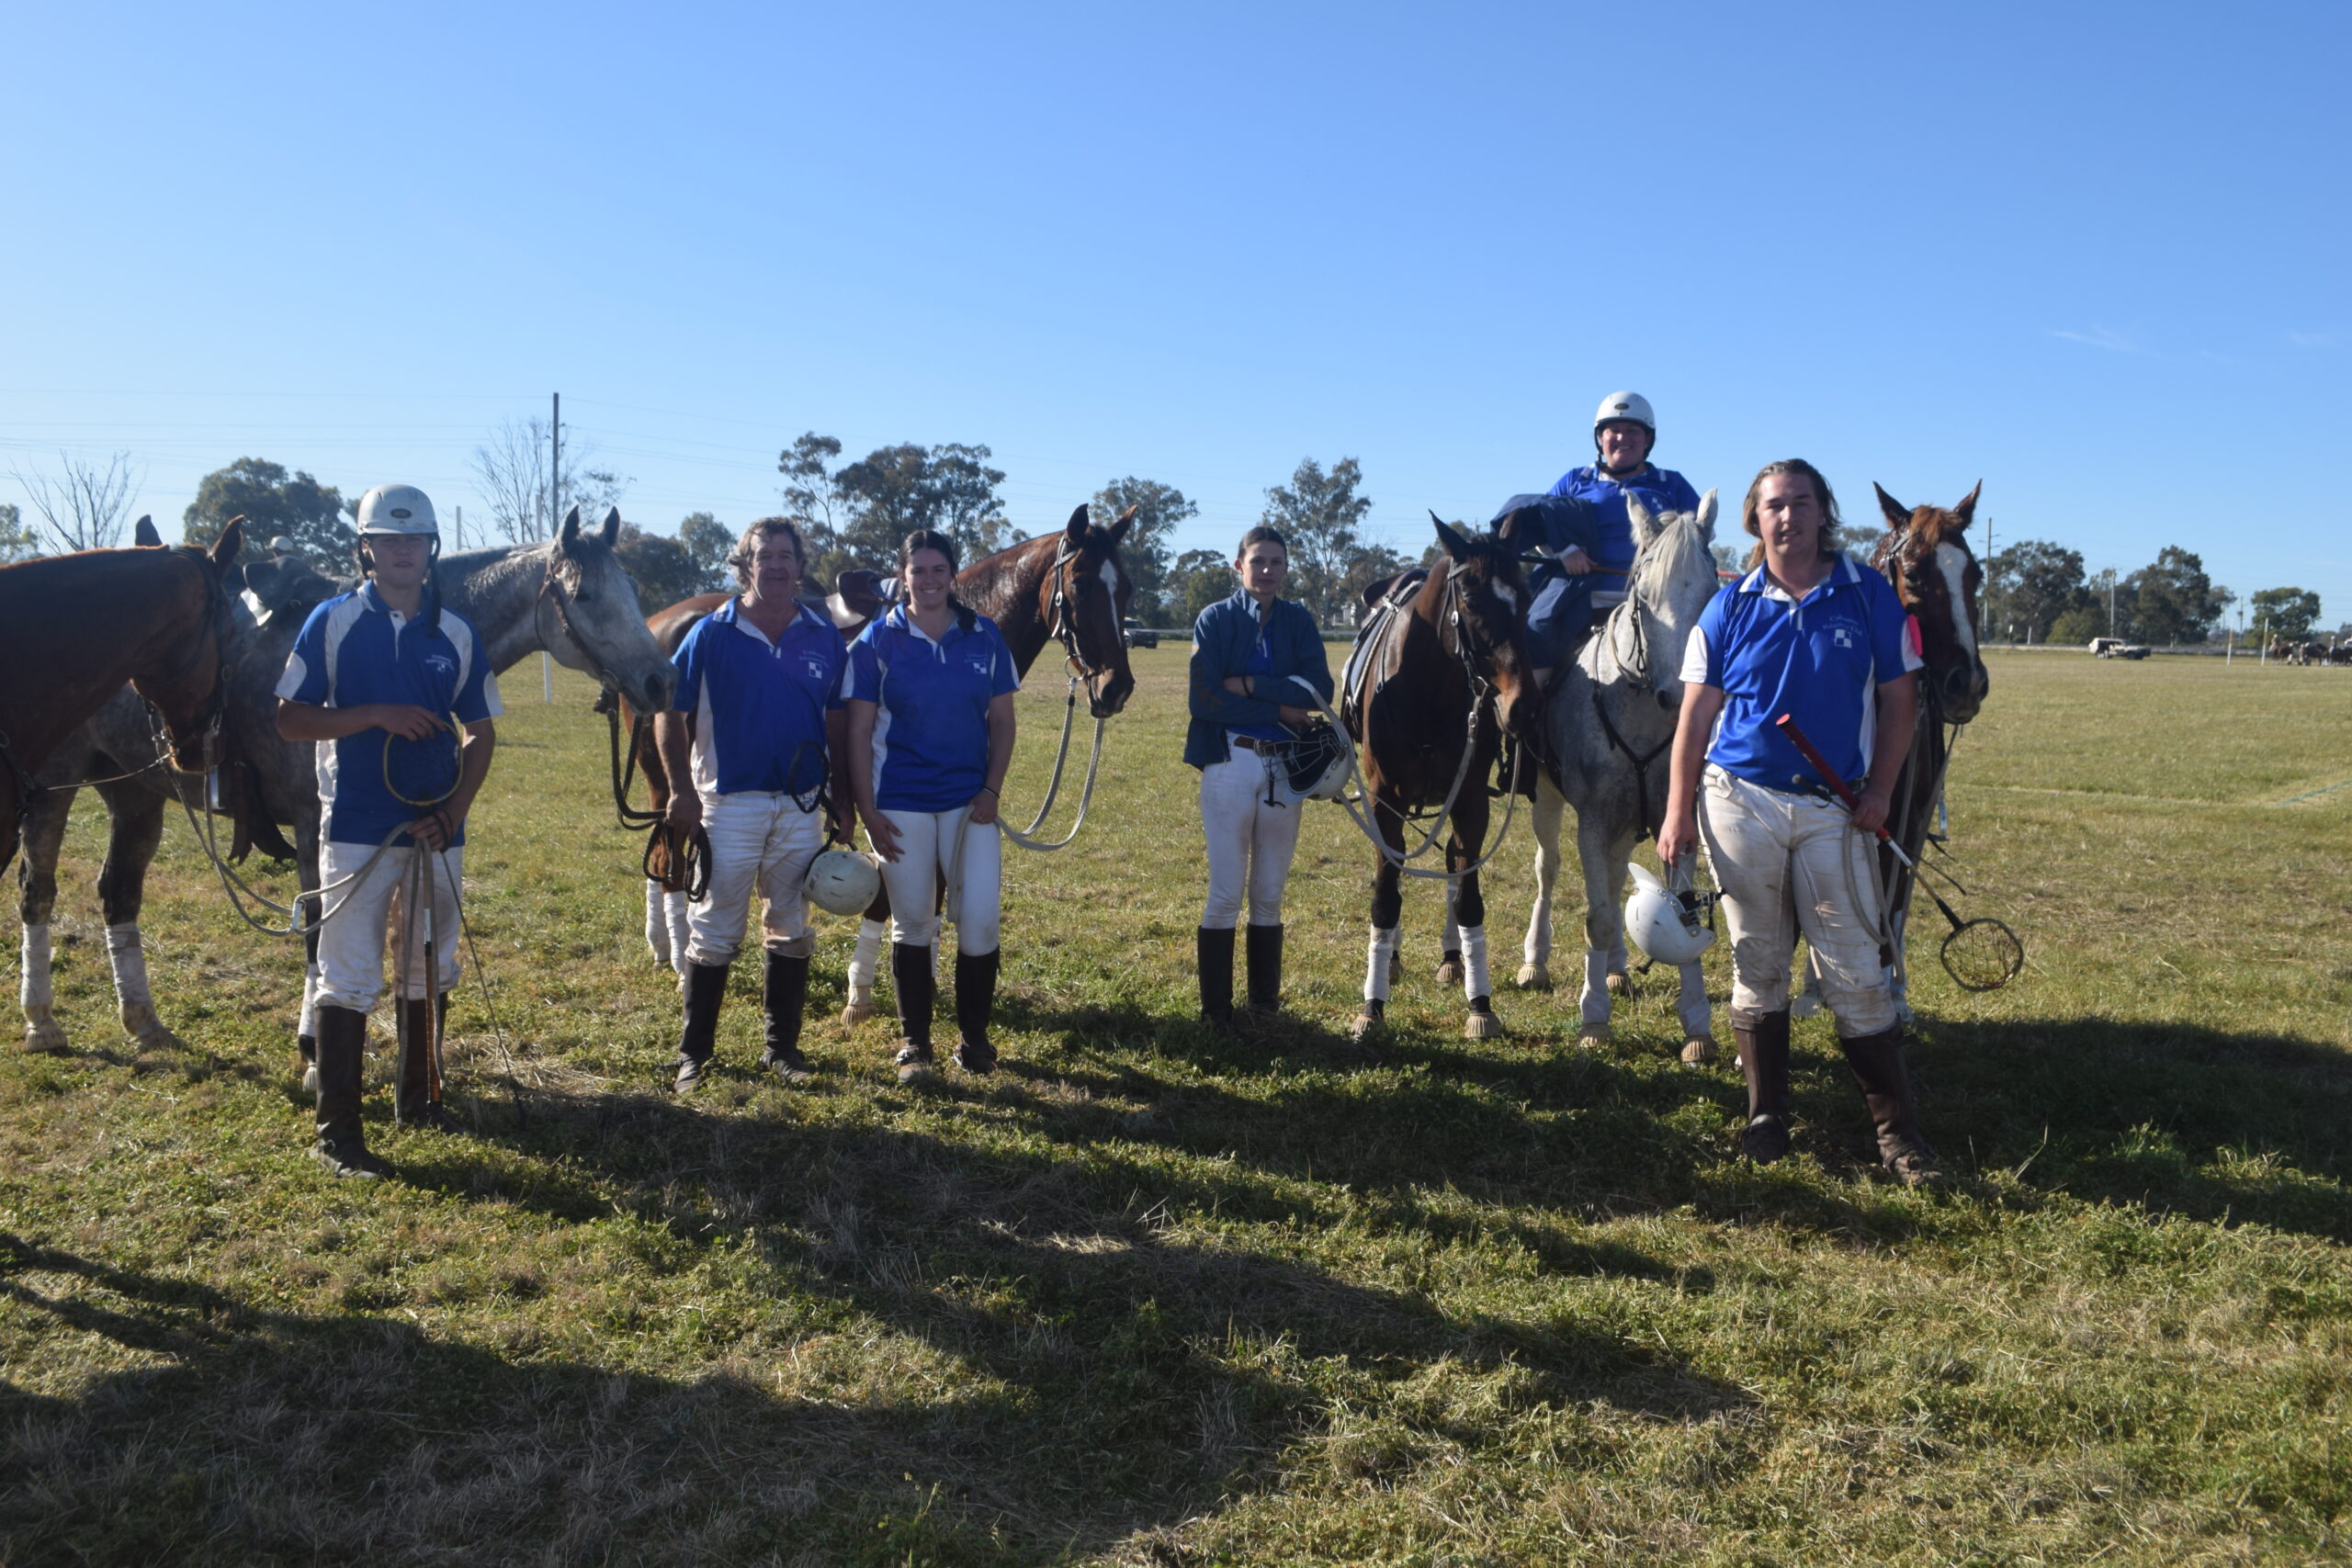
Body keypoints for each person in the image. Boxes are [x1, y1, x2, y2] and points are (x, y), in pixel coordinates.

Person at [1656, 458, 1939, 1184]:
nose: (1788, 517)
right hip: (1739, 799)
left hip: (1834, 806)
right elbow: (1695, 717)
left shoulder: (1867, 594)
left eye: (1802, 503)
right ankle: (1766, 1117)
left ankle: (1897, 1136)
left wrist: (1881, 789)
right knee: (1759, 960)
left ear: (1823, 514)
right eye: (1775, 505)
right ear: (1757, 519)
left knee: (1856, 969)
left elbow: (1901, 699)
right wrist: (1676, 809)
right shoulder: (1728, 606)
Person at [276, 484, 500, 1178]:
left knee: (428, 961)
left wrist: (455, 810)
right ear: (366, 548)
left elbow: (482, 731)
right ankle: (338, 1133)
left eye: (414, 541)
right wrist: (376, 712)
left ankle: (419, 1098)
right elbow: (290, 715)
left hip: (436, 826)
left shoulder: (455, 632)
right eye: (388, 541)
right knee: (346, 973)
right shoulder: (334, 621)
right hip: (356, 826)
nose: (402, 553)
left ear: (431, 549)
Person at [657, 517, 852, 1089]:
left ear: (800, 565)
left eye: (786, 556)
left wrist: (840, 797)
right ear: (745, 565)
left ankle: (781, 1049)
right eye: (764, 556)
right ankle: (694, 1054)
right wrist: (680, 790)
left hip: (799, 804)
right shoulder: (711, 633)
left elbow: (837, 722)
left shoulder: (821, 634)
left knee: (790, 925)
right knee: (715, 929)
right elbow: (672, 715)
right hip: (727, 803)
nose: (776, 565)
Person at [844, 530, 1019, 1083]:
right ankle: (915, 1044)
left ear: (953, 574)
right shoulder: (877, 640)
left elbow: (1002, 722)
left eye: (939, 569)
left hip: (970, 806)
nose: (929, 579)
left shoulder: (983, 636)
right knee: (913, 922)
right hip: (901, 802)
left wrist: (991, 789)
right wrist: (867, 810)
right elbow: (858, 730)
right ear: (904, 575)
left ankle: (974, 1042)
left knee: (981, 923)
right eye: (918, 570)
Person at [1183, 526, 1334, 1031]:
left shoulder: (1298, 621)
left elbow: (1319, 690)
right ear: (1238, 566)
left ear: (1286, 569)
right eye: (1258, 561)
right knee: (1226, 892)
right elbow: (1204, 700)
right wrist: (1280, 706)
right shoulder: (1215, 619)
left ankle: (1264, 1007)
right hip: (1230, 761)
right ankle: (1216, 1014)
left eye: (1277, 562)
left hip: (1284, 765)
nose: (1267, 570)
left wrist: (1249, 685)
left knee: (1269, 893)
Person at [1525, 390, 1704, 685]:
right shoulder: (1574, 480)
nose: (1623, 437)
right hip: (1583, 600)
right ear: (1600, 438)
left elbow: (1697, 540)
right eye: (1613, 431)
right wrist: (1566, 551)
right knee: (1535, 631)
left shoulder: (1672, 484)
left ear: (1648, 440)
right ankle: (1529, 717)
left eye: (1633, 431)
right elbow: (1540, 525)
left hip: (1658, 605)